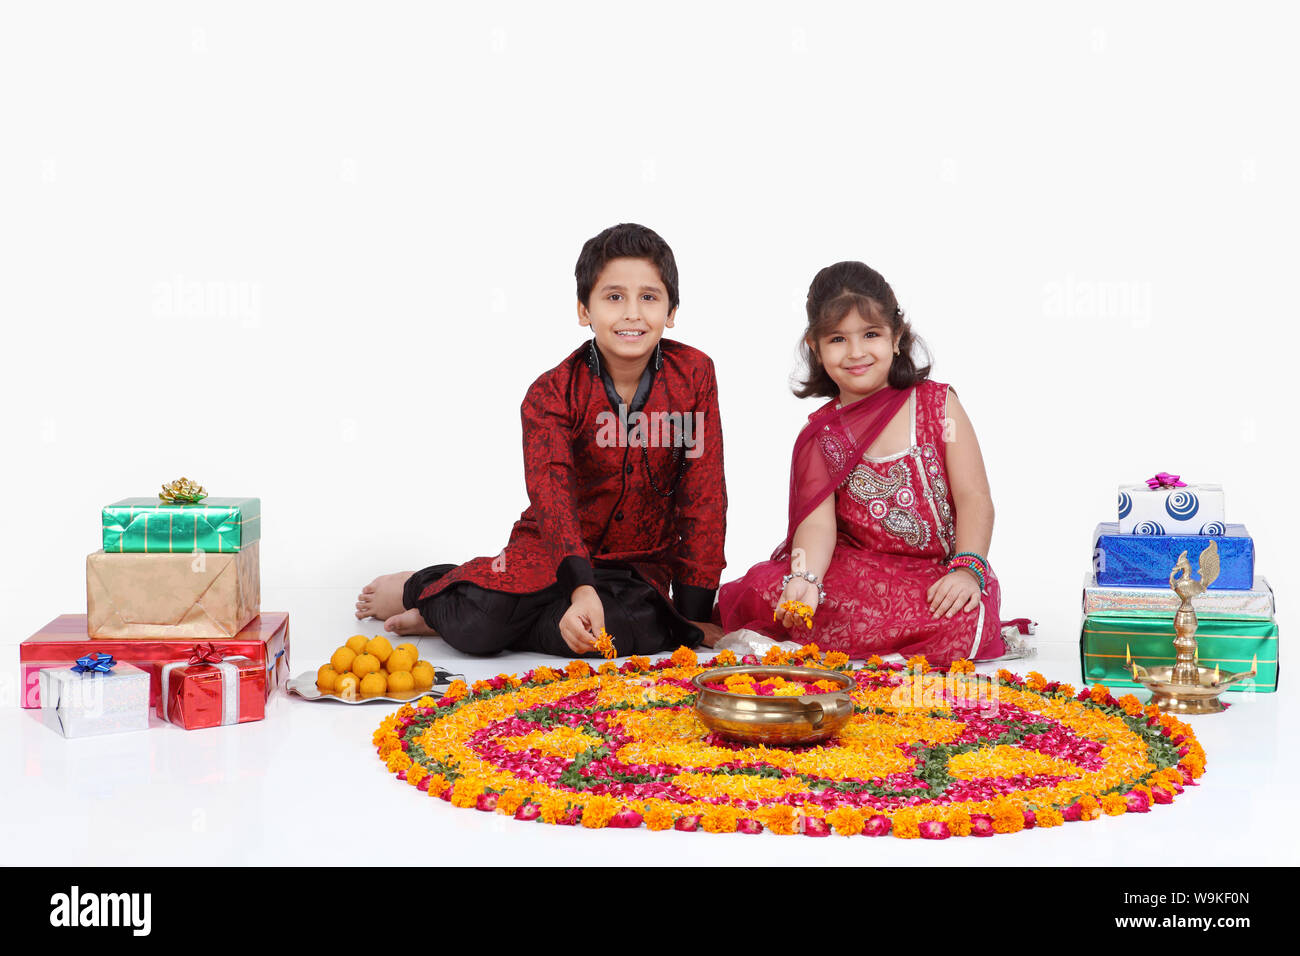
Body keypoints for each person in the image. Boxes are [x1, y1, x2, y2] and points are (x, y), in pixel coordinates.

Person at [356, 223, 727, 657]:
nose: (632, 313)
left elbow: (704, 495)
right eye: (613, 297)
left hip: (635, 573)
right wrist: (581, 588)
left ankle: (515, 617)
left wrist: (692, 614)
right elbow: (552, 496)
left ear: (672, 310)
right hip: (551, 552)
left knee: (637, 631)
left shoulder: (695, 375)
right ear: (584, 310)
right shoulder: (551, 393)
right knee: (477, 626)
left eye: (649, 297)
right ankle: (424, 586)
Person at [717, 261, 1005, 663]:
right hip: (858, 573)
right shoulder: (823, 436)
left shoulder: (938, 406)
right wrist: (807, 579)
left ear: (897, 336)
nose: (856, 353)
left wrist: (967, 569)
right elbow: (817, 525)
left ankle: (865, 640)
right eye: (837, 339)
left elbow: (975, 496)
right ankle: (857, 633)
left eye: (870, 334)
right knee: (769, 587)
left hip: (939, 574)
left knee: (965, 615)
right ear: (815, 347)